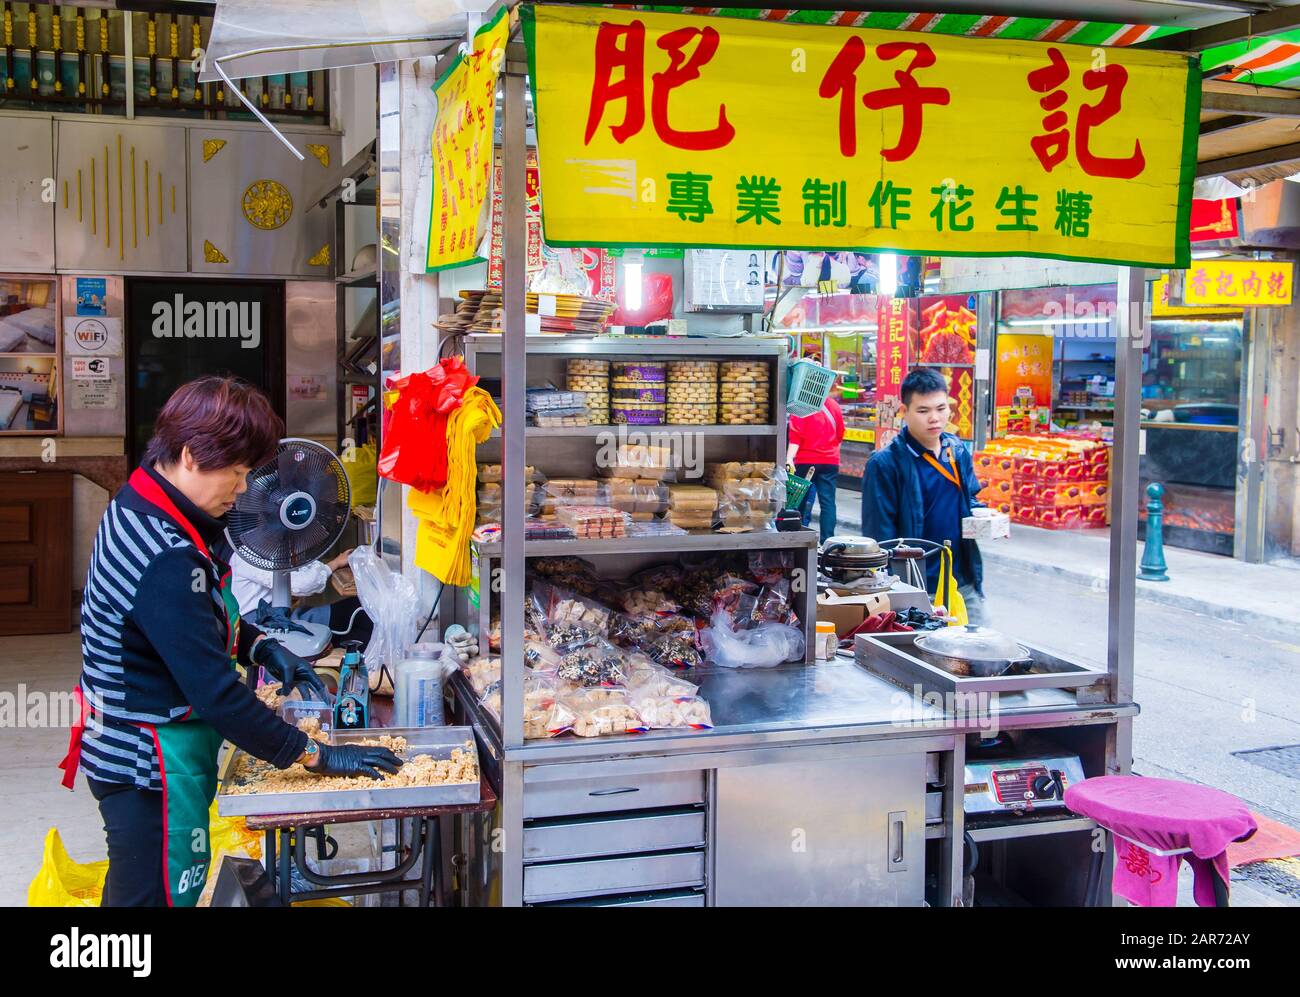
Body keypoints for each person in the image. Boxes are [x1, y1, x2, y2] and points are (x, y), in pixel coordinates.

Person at [60, 376, 403, 907]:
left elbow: (193, 620)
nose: (243, 490)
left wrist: (260, 646)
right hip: (144, 760)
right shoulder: (165, 553)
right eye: (239, 473)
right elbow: (214, 693)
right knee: (146, 901)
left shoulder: (148, 500)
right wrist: (311, 754)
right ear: (193, 455)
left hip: (138, 742)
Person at [861, 368, 986, 623]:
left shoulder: (957, 451)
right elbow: (879, 537)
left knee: (980, 656)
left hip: (960, 582)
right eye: (923, 410)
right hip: (917, 588)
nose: (934, 418)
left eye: (941, 409)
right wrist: (894, 595)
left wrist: (984, 515)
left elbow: (969, 499)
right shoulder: (885, 464)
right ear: (904, 412)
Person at [230, 545, 373, 649]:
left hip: (284, 618)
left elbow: (302, 571)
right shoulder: (248, 554)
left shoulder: (271, 549)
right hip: (265, 626)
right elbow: (301, 584)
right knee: (360, 624)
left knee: (359, 609)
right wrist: (334, 564)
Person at [786, 394, 845, 545]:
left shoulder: (801, 406)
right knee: (828, 502)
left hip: (806, 461)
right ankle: (828, 542)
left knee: (800, 501)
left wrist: (789, 459)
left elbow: (795, 437)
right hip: (830, 461)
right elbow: (840, 434)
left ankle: (799, 538)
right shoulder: (833, 405)